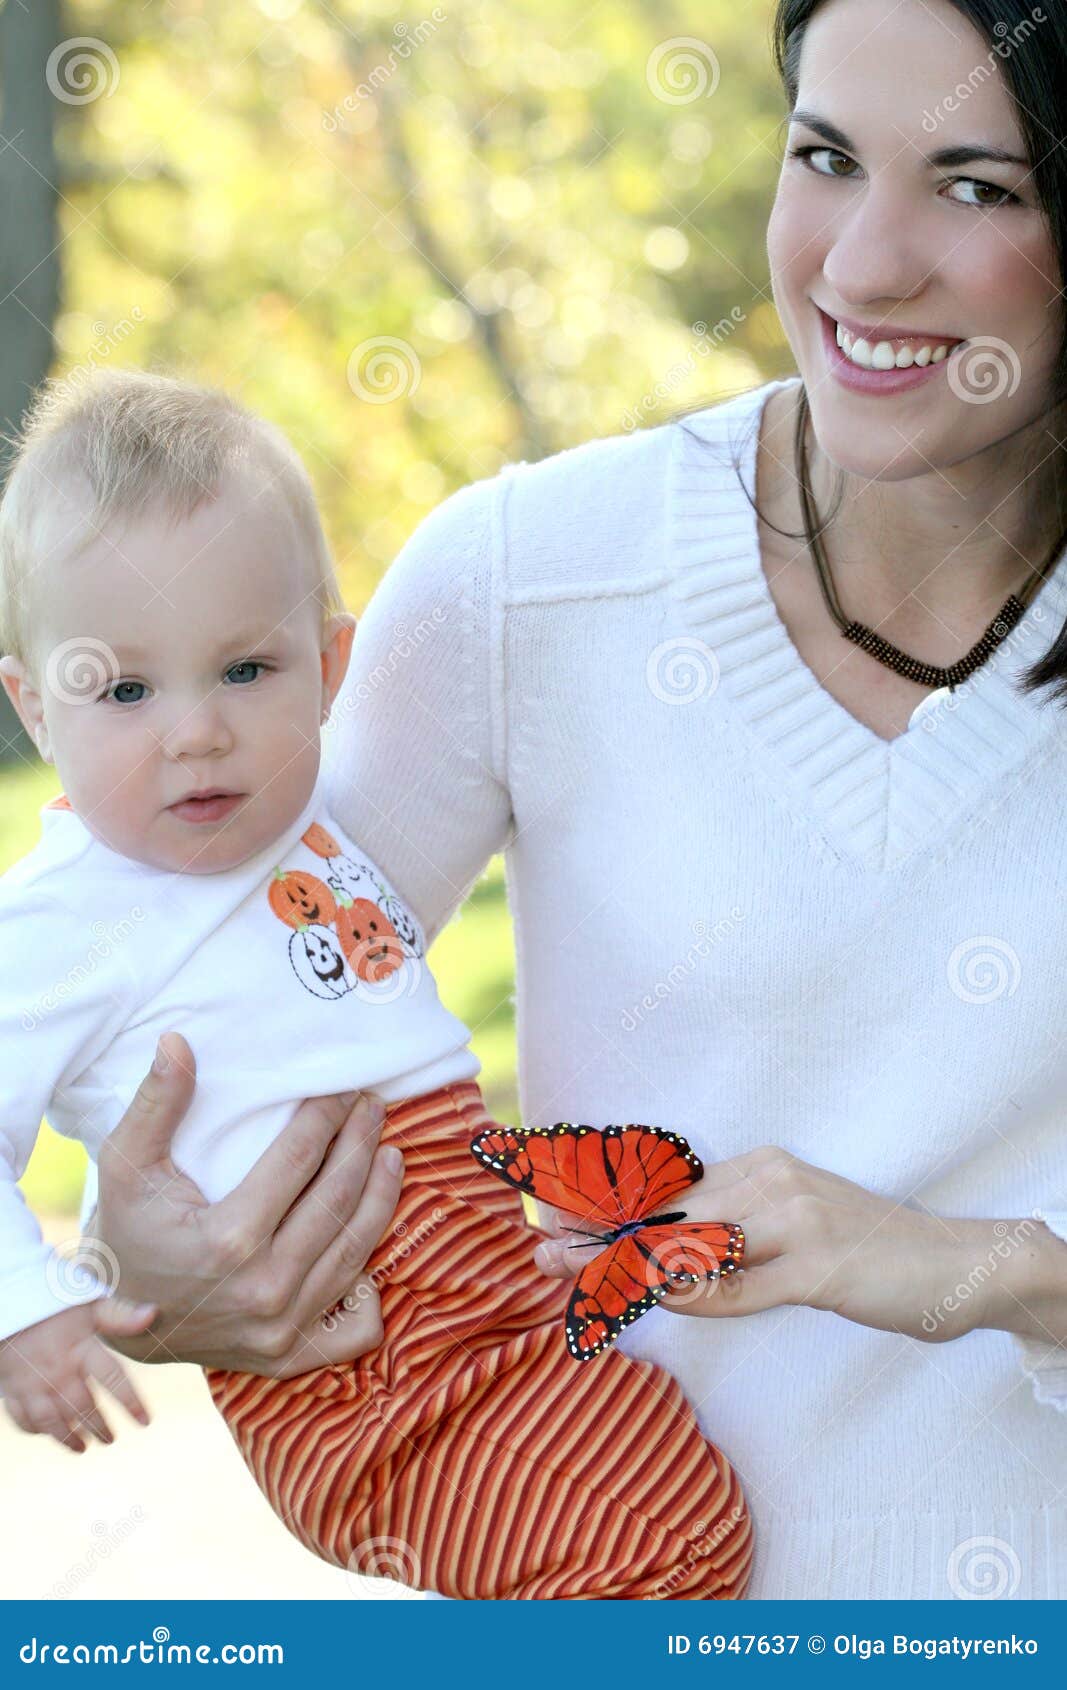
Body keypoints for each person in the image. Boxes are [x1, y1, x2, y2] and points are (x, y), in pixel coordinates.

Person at [84, 0, 1067, 1599]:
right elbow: (196, 1005)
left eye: (976, 186)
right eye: (822, 157)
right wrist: (144, 1255)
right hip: (616, 1614)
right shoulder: (527, 578)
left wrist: (971, 1268)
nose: (859, 265)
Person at [0, 367, 754, 1600]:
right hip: (354, 1367)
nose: (196, 731)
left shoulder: (304, 826)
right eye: (124, 690)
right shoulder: (64, 921)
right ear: (36, 708)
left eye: (245, 671)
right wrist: (27, 1310)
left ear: (330, 664)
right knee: (647, 1559)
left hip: (484, 1286)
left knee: (677, 1494)